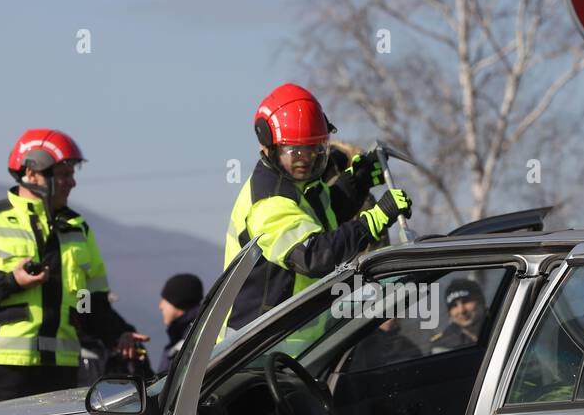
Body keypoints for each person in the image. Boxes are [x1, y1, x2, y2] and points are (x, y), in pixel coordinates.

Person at [0, 128, 147, 406]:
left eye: (72, 174)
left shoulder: (78, 229)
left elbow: (94, 303)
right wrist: (11, 281)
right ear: (33, 173)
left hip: (60, 371)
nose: (72, 182)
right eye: (64, 174)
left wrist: (119, 332)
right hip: (2, 367)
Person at [222, 83, 408, 333]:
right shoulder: (270, 204)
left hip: (295, 341)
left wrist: (357, 182)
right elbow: (314, 255)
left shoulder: (299, 184)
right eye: (296, 151)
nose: (306, 160)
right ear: (268, 147)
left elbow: (322, 217)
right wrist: (372, 222)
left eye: (315, 150)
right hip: (259, 348)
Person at [157, 273, 203, 373]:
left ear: (177, 302)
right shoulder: (182, 336)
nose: (160, 306)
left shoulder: (193, 340)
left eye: (164, 300)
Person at [430, 278, 487, 351]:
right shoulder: (444, 345)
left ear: (481, 302)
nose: (461, 310)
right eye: (454, 305)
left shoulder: (503, 322)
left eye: (465, 301)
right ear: (449, 313)